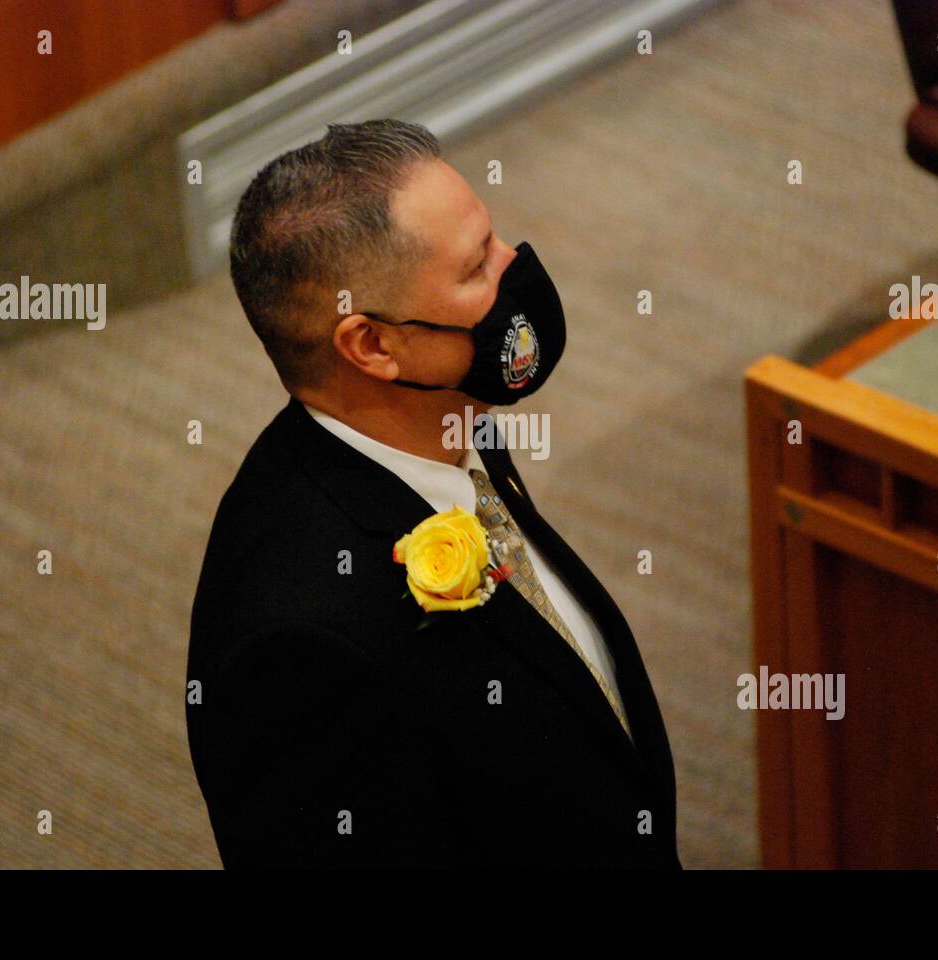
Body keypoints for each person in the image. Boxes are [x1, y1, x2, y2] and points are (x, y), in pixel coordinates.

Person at [185, 119, 680, 868]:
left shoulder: (449, 426)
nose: (515, 269)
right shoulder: (298, 649)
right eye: (477, 267)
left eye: (494, 239)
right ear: (373, 346)